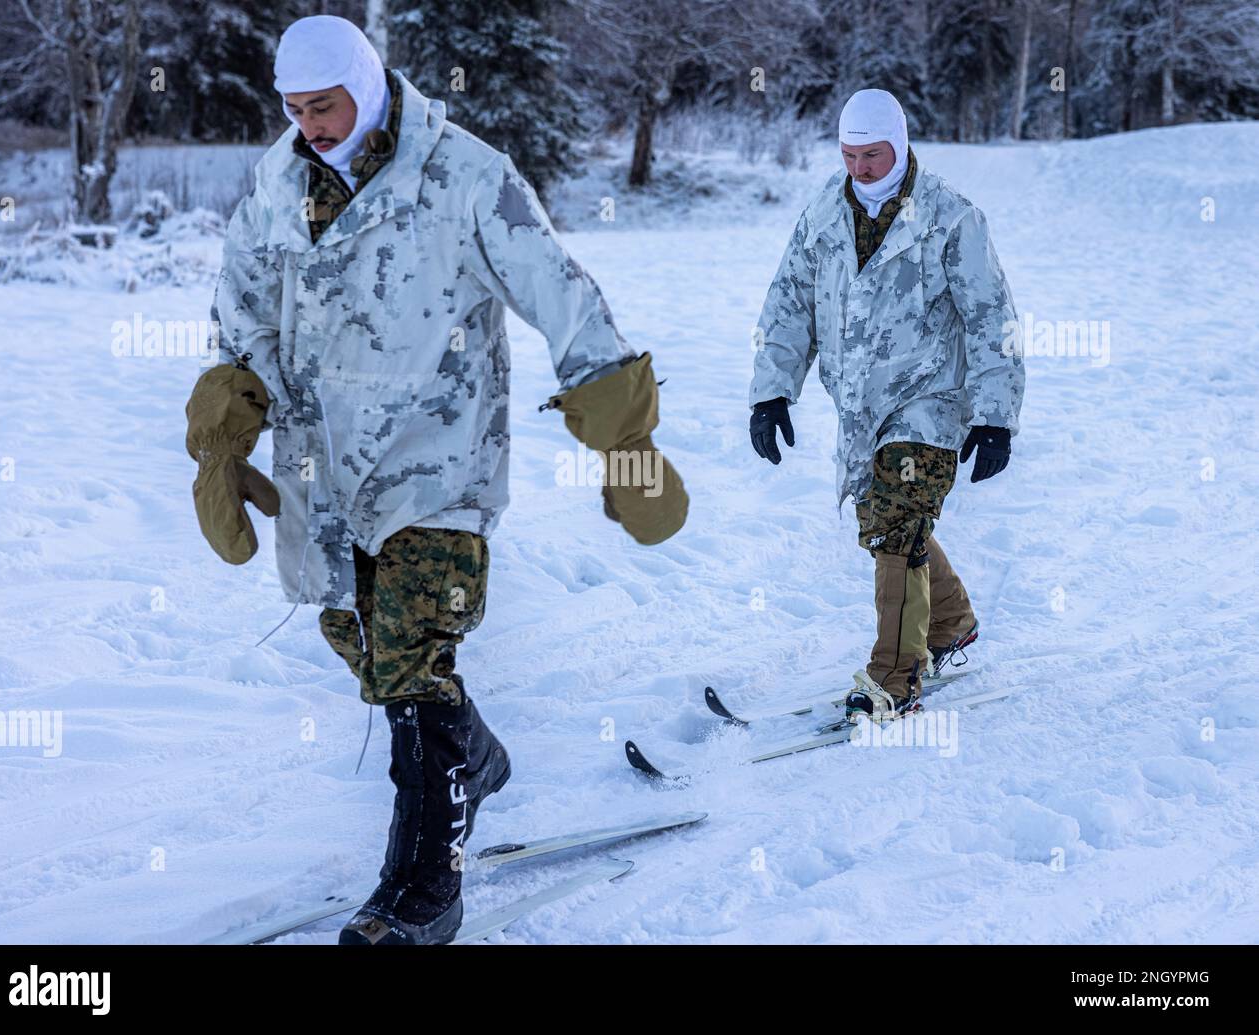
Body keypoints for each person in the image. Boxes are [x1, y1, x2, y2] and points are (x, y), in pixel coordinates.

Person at [184, 14, 688, 945]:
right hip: (319, 466)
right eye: (293, 109)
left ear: (367, 87)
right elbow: (242, 304)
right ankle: (473, 756)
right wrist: (227, 423)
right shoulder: (274, 184)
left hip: (438, 458)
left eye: (325, 106)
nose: (311, 126)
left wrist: (623, 433)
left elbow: (559, 292)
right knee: (363, 643)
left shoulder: (464, 174)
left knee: (414, 649)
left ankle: (423, 886)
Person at [747, 87, 1024, 718]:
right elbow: (788, 305)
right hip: (860, 408)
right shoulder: (822, 214)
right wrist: (770, 391)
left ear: (898, 146)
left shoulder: (951, 216)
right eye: (848, 154)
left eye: (872, 155)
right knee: (890, 523)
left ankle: (895, 677)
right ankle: (949, 623)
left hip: (932, 399)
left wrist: (994, 414)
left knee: (896, 522)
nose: (859, 168)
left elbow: (990, 319)